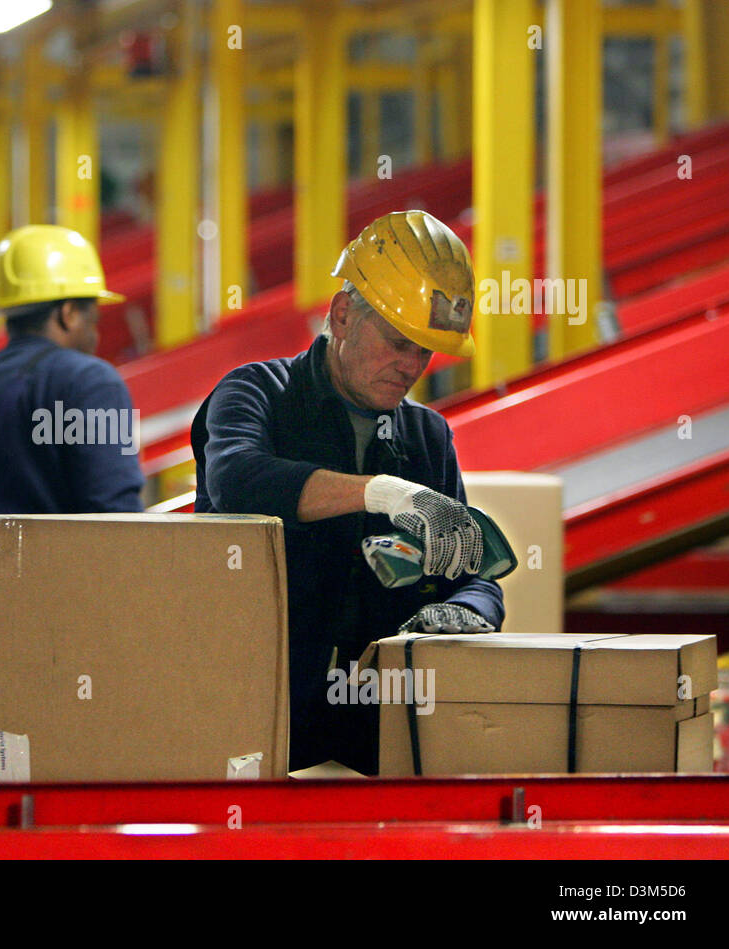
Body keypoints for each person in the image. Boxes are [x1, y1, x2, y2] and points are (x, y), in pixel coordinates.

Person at [190, 210, 506, 774]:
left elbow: (471, 567)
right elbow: (239, 483)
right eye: (396, 343)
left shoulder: (425, 436)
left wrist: (466, 610)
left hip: (377, 739)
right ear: (342, 316)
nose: (411, 367)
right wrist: (381, 494)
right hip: (255, 722)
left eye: (425, 351)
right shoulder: (257, 394)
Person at [0, 224, 144, 514]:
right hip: (68, 561)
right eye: (93, 321)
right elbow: (117, 515)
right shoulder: (91, 381)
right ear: (68, 314)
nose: (96, 336)